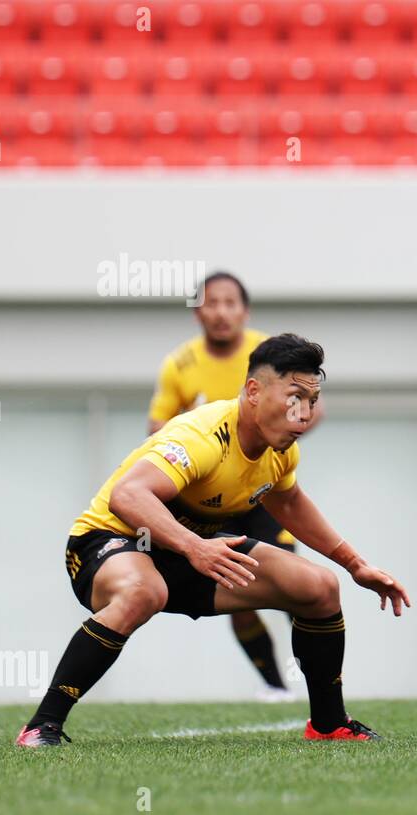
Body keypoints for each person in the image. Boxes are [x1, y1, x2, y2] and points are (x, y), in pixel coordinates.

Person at [17, 334, 410, 747]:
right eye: (295, 397)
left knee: (319, 588)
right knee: (143, 590)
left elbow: (290, 502)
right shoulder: (202, 436)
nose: (304, 414)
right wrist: (194, 547)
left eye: (312, 401)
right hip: (109, 541)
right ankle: (42, 725)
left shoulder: (280, 451)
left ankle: (330, 724)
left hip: (188, 548)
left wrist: (355, 564)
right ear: (254, 391)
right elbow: (128, 496)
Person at [148, 271, 301, 701]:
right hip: (210, 498)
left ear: (244, 310)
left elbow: (308, 407)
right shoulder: (180, 364)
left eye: (230, 303)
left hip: (259, 490)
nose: (221, 312)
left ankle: (319, 680)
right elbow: (156, 428)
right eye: (211, 303)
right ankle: (275, 687)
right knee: (239, 588)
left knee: (294, 583)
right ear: (198, 312)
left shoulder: (267, 354)